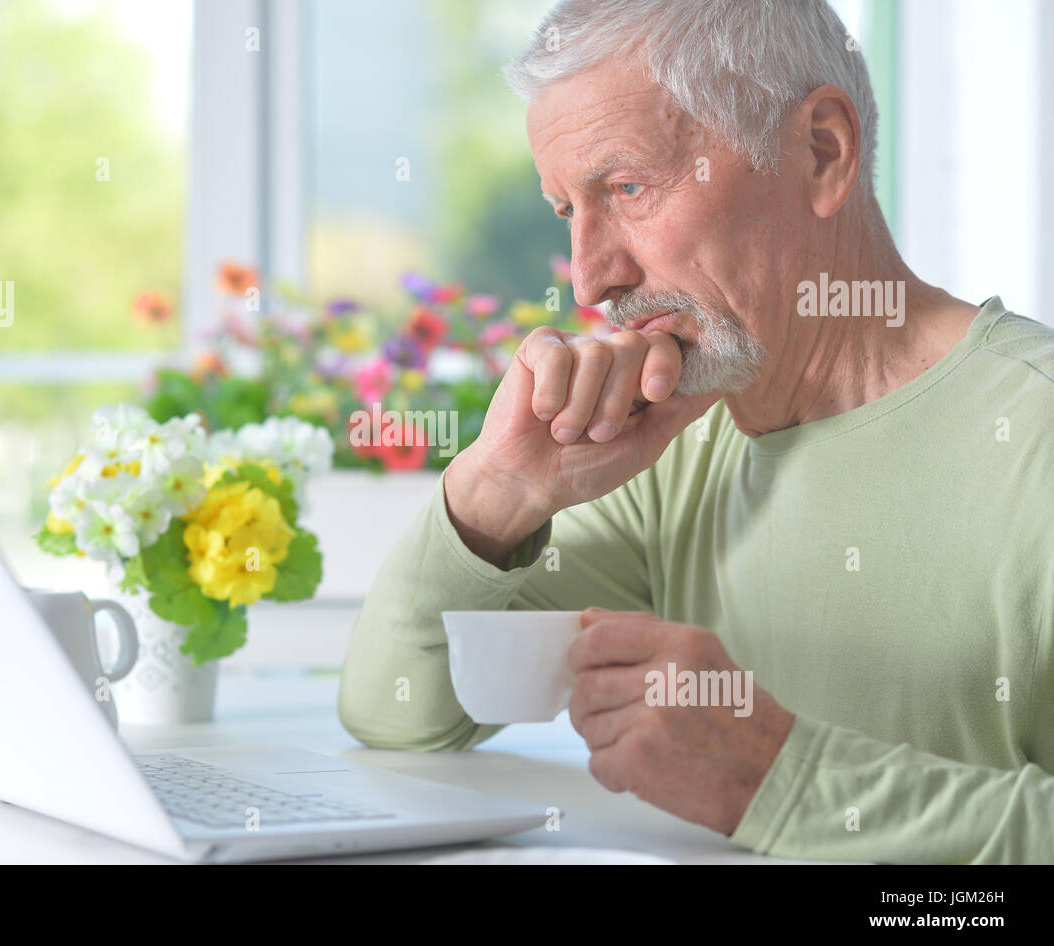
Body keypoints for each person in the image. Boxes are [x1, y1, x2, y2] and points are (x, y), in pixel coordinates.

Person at [337, 0, 1054, 863]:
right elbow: (396, 710)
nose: (591, 277)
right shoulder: (670, 445)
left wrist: (777, 782)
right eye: (568, 209)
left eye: (628, 188)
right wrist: (497, 492)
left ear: (821, 151)